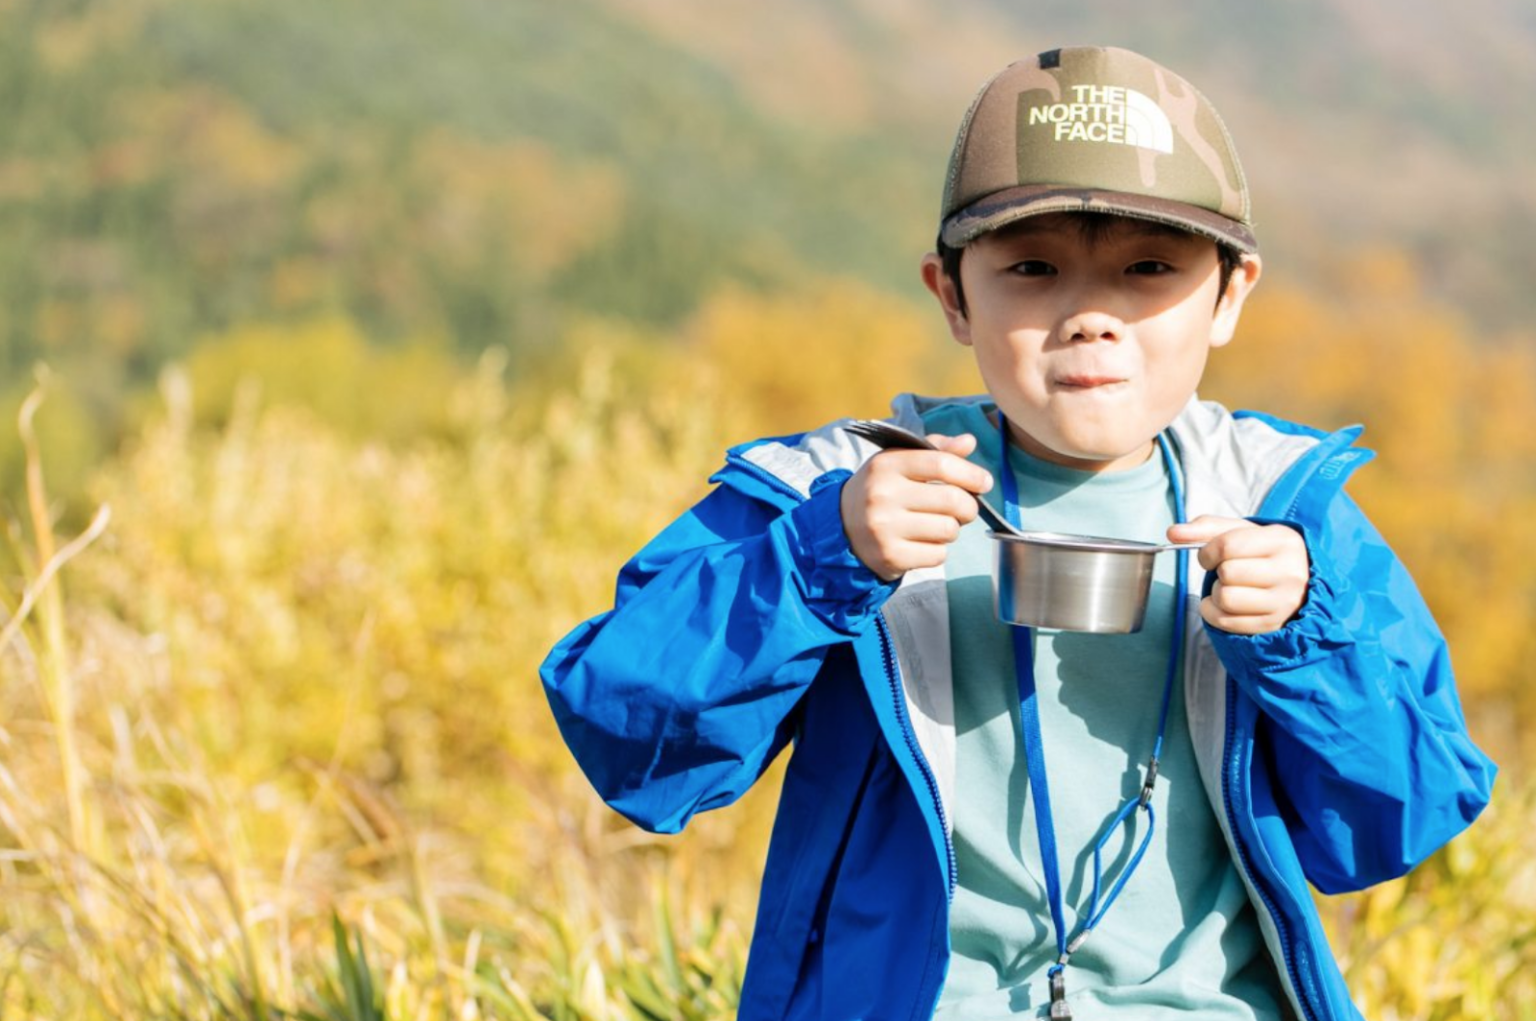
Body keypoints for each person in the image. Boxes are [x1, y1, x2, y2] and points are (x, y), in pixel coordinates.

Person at [540, 46, 1495, 1021]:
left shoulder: (1290, 513)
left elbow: (1405, 816)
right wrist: (816, 558)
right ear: (952, 294)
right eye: (1032, 269)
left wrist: (1309, 636)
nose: (1089, 316)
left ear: (1230, 294)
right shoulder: (834, 494)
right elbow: (627, 735)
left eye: (1148, 269)